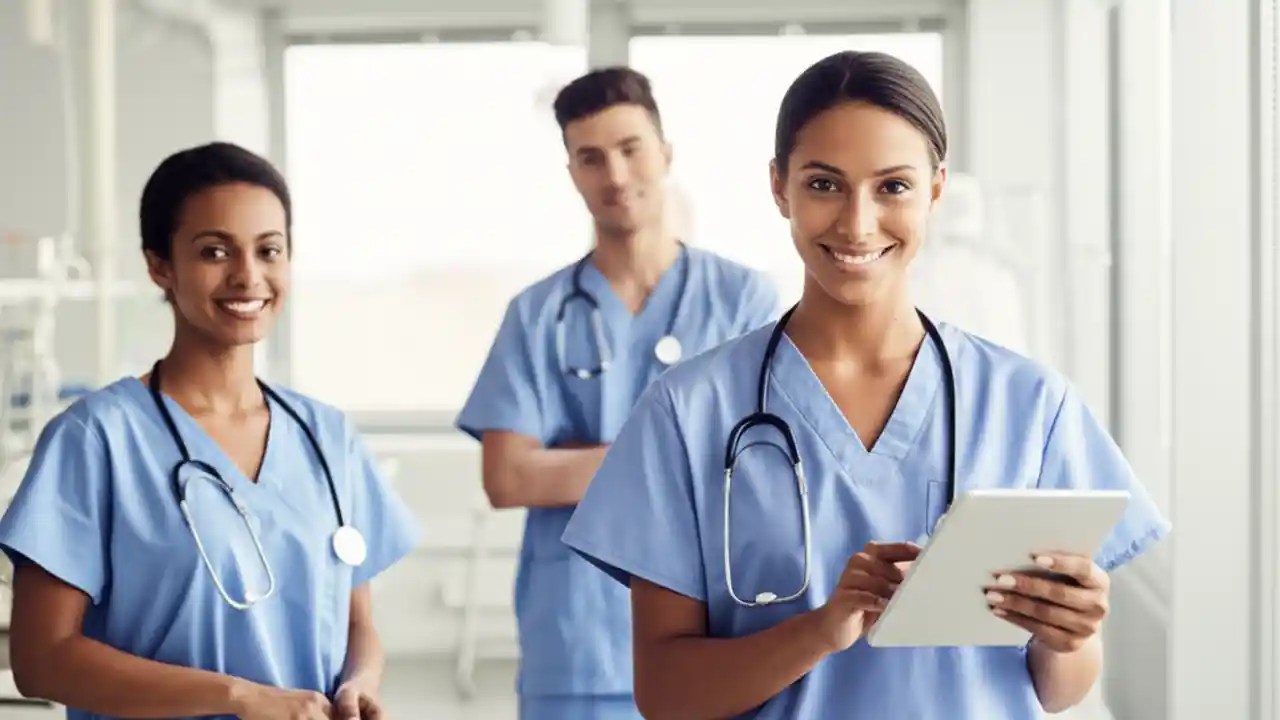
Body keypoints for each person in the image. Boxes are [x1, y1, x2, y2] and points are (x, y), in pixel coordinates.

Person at [561, 50, 1170, 719]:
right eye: (824, 184)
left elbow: (1059, 689)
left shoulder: (1030, 406)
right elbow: (667, 695)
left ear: (936, 189)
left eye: (893, 187)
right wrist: (820, 631)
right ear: (778, 187)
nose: (857, 223)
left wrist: (1070, 637)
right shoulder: (688, 411)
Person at [0, 142, 421, 720]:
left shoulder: (326, 436)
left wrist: (359, 685)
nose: (248, 276)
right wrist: (239, 698)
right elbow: (42, 658)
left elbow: (357, 624)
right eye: (215, 251)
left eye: (269, 250)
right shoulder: (96, 439)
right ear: (159, 265)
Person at [455, 66, 779, 719]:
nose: (616, 174)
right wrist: (680, 457)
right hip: (576, 642)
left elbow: (758, 470)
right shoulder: (537, 313)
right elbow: (509, 477)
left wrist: (574, 462)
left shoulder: (745, 299)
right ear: (572, 172)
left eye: (631, 149)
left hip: (714, 633)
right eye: (591, 158)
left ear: (665, 154)